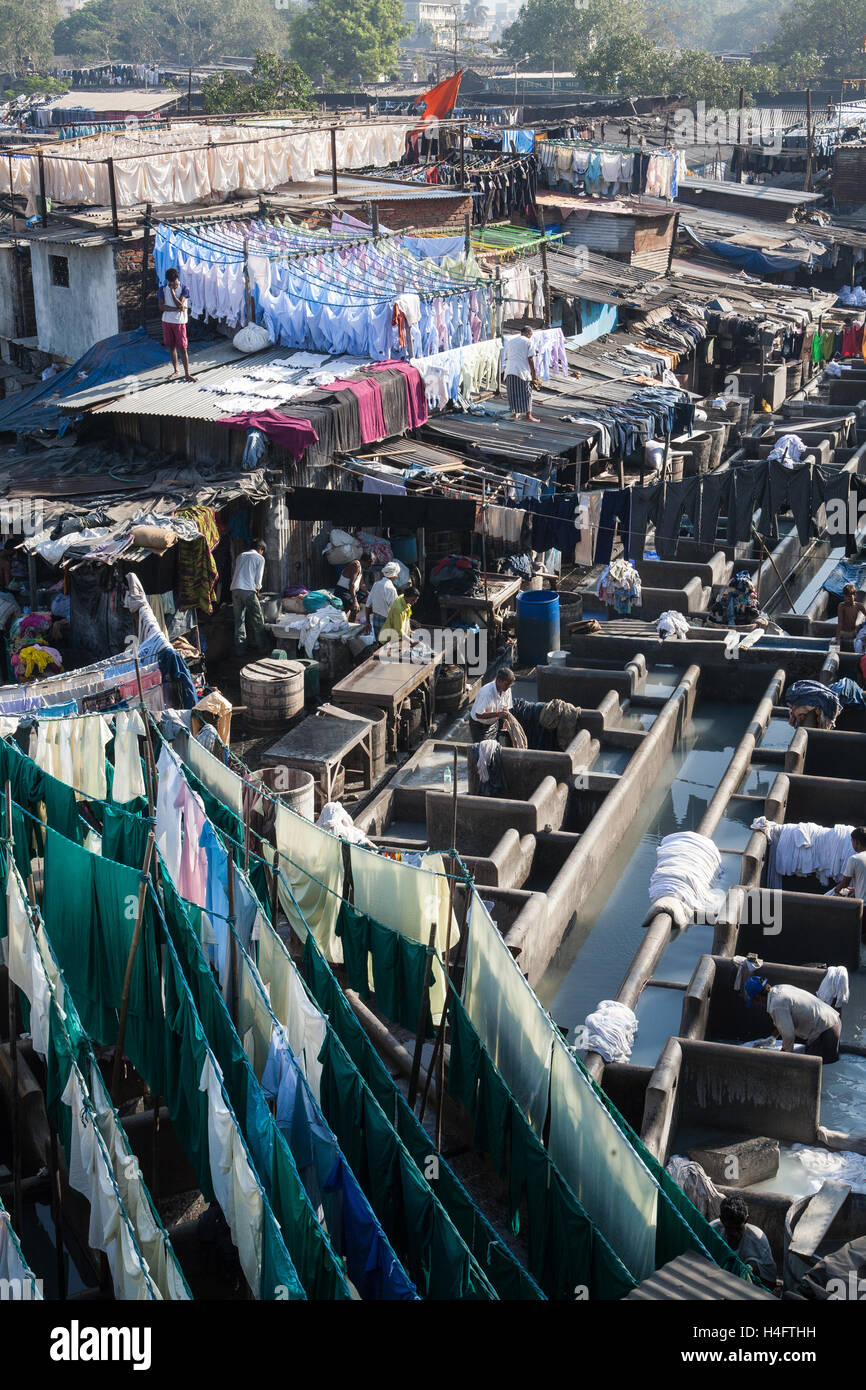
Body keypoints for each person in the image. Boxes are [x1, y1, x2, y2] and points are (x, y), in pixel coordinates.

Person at [744, 975, 842, 1064]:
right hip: (832, 1022)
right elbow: (784, 1021)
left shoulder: (776, 1005)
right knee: (827, 1062)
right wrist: (772, 1038)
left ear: (758, 997)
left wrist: (783, 1058)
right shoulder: (780, 989)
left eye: (755, 1001)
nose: (758, 1004)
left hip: (825, 1031)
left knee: (812, 1069)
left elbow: (789, 1036)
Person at [710, 1196, 776, 1287]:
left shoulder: (758, 1240)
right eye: (729, 1228)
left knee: (751, 1265)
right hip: (717, 1279)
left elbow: (771, 1280)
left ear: (746, 1219)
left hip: (748, 1286)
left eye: (738, 1228)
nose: (734, 1233)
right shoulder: (713, 1230)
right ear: (721, 1220)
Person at [230, 539, 268, 657]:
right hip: (248, 591)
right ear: (261, 549)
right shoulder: (260, 558)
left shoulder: (240, 556)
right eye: (263, 551)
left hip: (235, 589)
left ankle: (240, 651)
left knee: (239, 621)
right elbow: (258, 579)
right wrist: (258, 591)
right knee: (258, 621)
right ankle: (263, 649)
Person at [160, 267, 195, 382]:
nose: (171, 284)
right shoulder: (162, 289)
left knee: (183, 348)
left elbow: (180, 304)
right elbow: (161, 306)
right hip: (167, 321)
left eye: (173, 281)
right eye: (169, 282)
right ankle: (176, 370)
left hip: (179, 322)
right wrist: (175, 309)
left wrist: (172, 293)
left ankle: (187, 373)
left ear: (177, 279)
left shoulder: (184, 288)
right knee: (171, 347)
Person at [503, 325, 541, 423]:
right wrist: (534, 373)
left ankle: (515, 413)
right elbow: (530, 358)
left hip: (510, 370)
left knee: (513, 393)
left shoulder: (511, 341)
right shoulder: (529, 341)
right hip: (521, 371)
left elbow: (507, 357)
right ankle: (528, 415)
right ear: (529, 334)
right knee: (527, 393)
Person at [470, 667, 516, 742]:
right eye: (507, 684)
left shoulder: (507, 690)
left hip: (493, 723)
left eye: (510, 685)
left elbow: (506, 707)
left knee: (494, 745)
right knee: (484, 747)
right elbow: (478, 715)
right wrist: (498, 714)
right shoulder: (486, 692)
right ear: (499, 681)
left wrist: (505, 721)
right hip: (479, 725)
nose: (508, 687)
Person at [363, 561, 401, 640]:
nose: (397, 576)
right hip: (387, 621)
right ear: (394, 575)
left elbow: (367, 605)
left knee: (379, 642)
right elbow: (395, 609)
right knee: (387, 644)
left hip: (376, 619)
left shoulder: (376, 584)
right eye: (397, 574)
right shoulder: (391, 589)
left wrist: (368, 622)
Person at [336, 551, 373, 621]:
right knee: (355, 607)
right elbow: (351, 584)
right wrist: (355, 602)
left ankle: (355, 620)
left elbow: (362, 585)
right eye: (370, 565)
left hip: (350, 592)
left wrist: (369, 594)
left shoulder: (361, 568)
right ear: (367, 561)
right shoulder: (356, 565)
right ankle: (351, 622)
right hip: (343, 592)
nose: (370, 567)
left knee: (368, 599)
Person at [834, 826, 866, 900]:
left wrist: (836, 889)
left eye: (852, 841)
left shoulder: (855, 859)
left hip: (863, 904)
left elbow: (845, 884)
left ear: (857, 842)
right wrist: (855, 890)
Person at [836, 583, 866, 650]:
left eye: (849, 597)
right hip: (843, 633)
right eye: (845, 597)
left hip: (853, 632)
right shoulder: (842, 606)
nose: (847, 599)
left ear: (855, 595)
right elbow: (840, 623)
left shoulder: (859, 606)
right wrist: (837, 639)